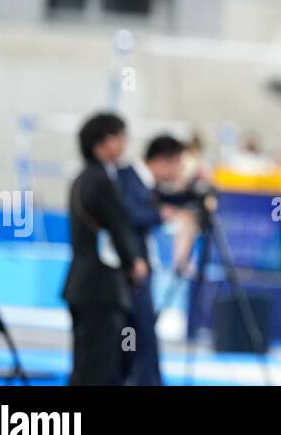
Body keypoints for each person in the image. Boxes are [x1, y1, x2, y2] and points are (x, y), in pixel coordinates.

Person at [62, 113, 148, 386]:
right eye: (117, 137)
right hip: (102, 287)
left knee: (85, 364)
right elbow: (119, 226)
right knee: (101, 367)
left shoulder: (80, 179)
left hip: (82, 284)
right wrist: (134, 260)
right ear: (99, 143)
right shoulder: (102, 181)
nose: (123, 144)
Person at [116, 134, 189, 386]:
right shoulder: (126, 178)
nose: (178, 170)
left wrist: (194, 192)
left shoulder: (146, 184)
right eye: (178, 163)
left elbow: (167, 199)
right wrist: (159, 215)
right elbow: (127, 216)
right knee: (142, 338)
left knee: (141, 338)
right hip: (130, 270)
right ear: (162, 160)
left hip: (141, 268)